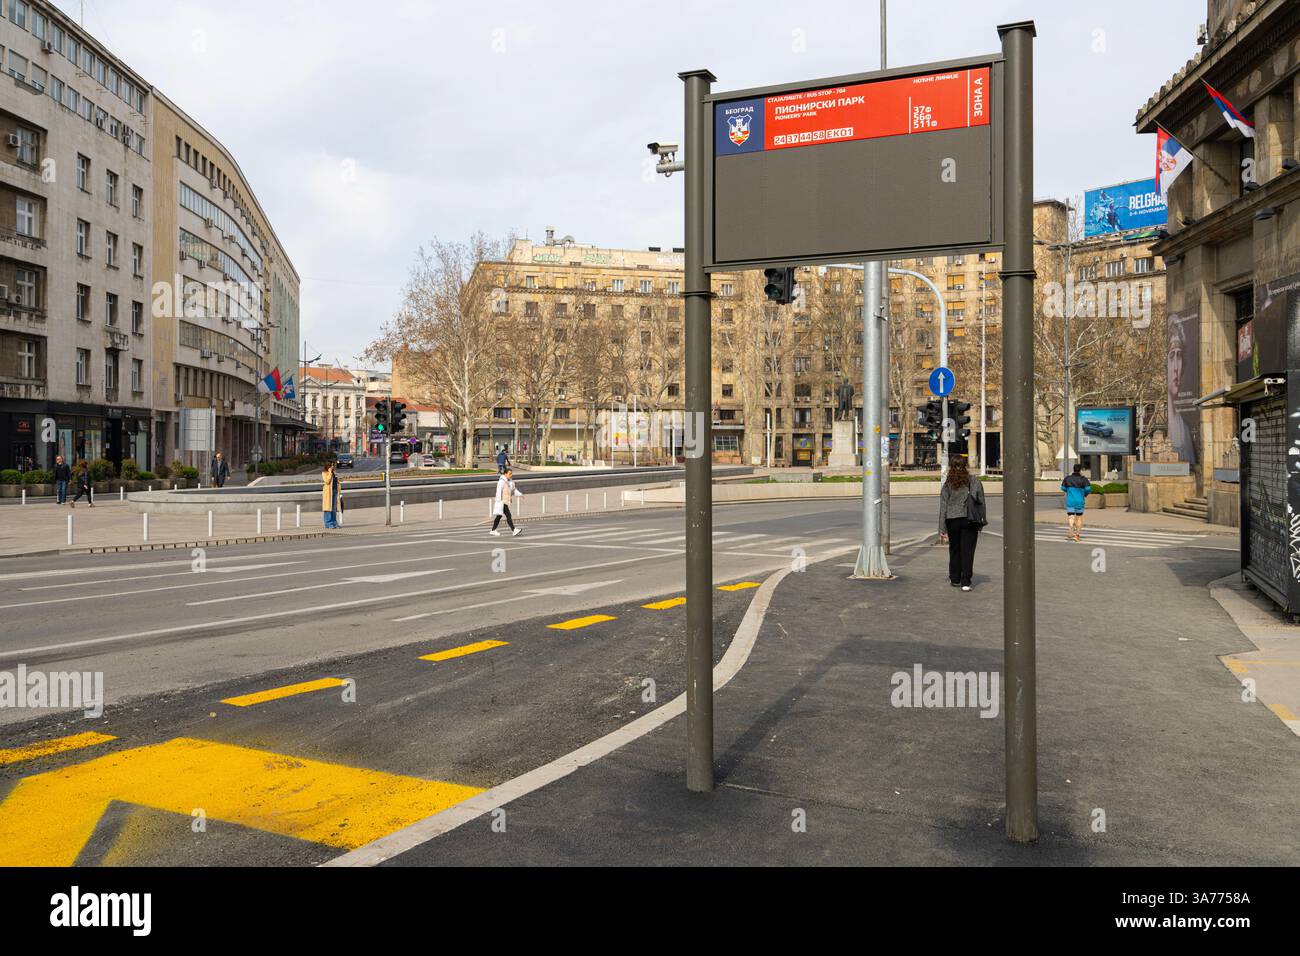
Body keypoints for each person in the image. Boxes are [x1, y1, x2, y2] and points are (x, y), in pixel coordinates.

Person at [937, 456, 984, 592]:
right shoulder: (974, 481)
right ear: (966, 466)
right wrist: (980, 522)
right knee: (968, 551)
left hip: (952, 520)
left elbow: (943, 507)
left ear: (951, 466)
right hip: (970, 520)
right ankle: (966, 581)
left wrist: (942, 528)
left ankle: (955, 578)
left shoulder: (948, 484)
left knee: (955, 549)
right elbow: (981, 503)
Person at [1061, 463, 1092, 542]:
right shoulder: (1084, 479)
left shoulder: (1067, 478)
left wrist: (1068, 490)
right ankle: (1077, 535)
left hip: (1070, 500)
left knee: (1071, 516)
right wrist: (1084, 494)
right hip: (1080, 501)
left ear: (1073, 469)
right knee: (1079, 518)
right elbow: (1088, 489)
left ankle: (1071, 527)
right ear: (1080, 470)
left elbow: (1063, 488)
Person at [490, 467, 522, 537]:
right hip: (502, 501)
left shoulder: (510, 481)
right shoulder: (501, 481)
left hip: (505, 501)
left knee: (499, 516)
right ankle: (514, 530)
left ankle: (493, 530)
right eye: (510, 474)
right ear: (505, 474)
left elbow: (513, 490)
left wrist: (519, 494)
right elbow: (498, 491)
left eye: (511, 474)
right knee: (508, 515)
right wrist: (498, 501)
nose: (511, 475)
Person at [321, 460, 342, 529]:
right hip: (328, 493)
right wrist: (330, 472)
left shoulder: (334, 473)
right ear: (328, 466)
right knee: (328, 508)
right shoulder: (325, 473)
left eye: (333, 465)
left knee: (334, 508)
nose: (333, 467)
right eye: (331, 465)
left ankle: (334, 522)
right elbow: (327, 481)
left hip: (335, 491)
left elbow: (337, 481)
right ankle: (328, 523)